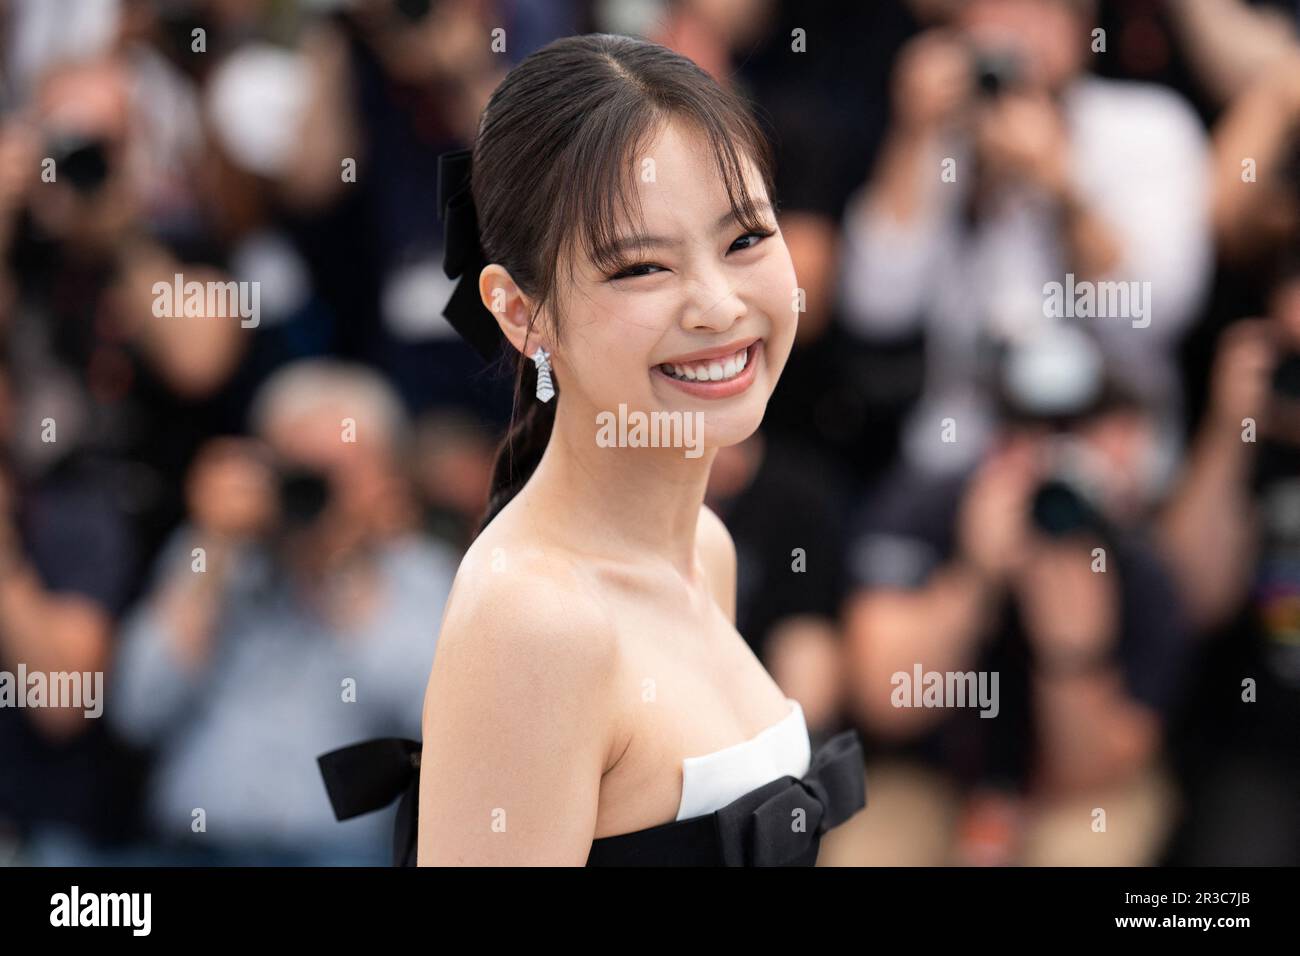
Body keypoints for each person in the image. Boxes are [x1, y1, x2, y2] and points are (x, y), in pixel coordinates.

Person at [317, 33, 866, 867]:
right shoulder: (536, 622)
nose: (717, 306)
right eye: (642, 267)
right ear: (518, 312)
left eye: (746, 238)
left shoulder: (704, 550)